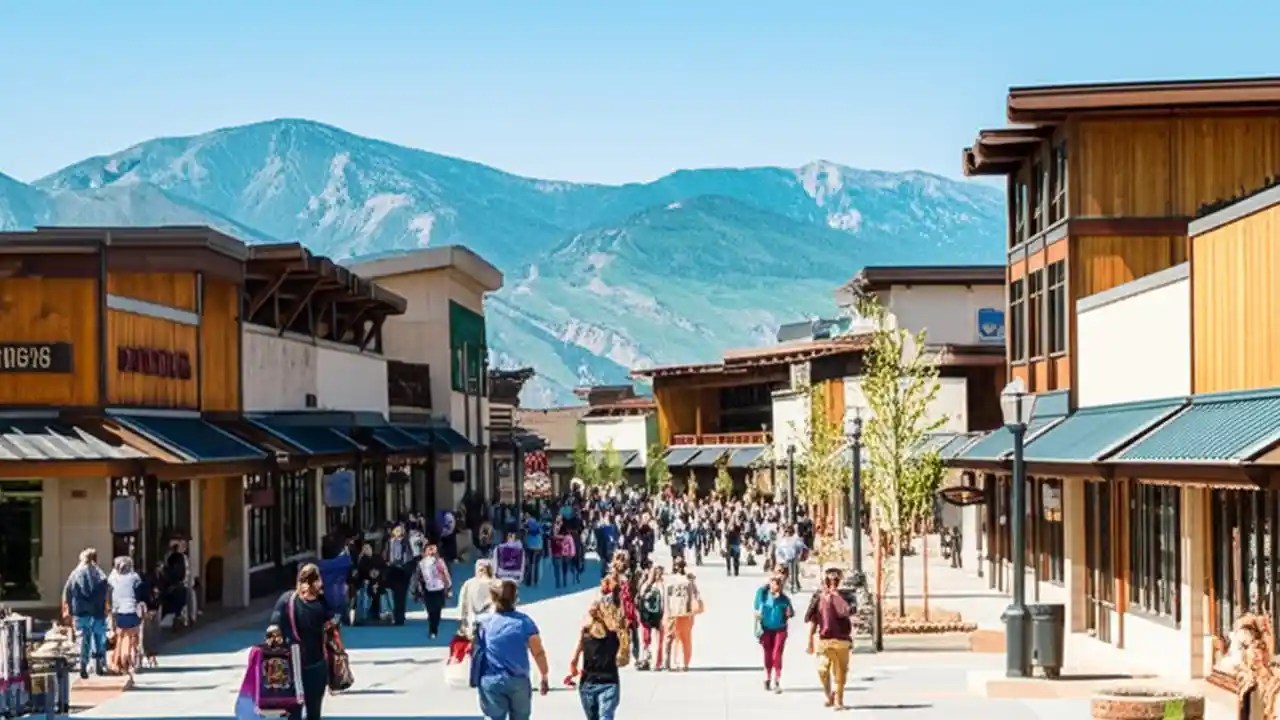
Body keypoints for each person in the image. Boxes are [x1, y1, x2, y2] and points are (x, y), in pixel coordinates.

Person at [474, 579, 550, 720]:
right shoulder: (525, 623)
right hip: (518, 680)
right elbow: (538, 652)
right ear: (515, 598)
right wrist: (544, 675)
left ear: (493, 598)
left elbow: (475, 648)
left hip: (491, 680)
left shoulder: (483, 622)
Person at [268, 564, 331, 720]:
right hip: (316, 664)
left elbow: (272, 630)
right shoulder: (321, 603)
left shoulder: (286, 600)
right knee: (314, 711)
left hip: (291, 666)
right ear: (316, 581)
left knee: (293, 710)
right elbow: (332, 630)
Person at [804, 567, 856, 710]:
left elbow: (848, 611)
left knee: (840, 673)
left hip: (842, 639)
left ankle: (839, 700)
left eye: (835, 580)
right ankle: (829, 695)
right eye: (829, 580)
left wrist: (836, 596)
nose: (832, 582)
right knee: (822, 670)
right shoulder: (818, 597)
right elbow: (812, 619)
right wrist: (810, 640)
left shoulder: (847, 596)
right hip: (824, 640)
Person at [567, 600, 624, 720]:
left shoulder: (586, 634)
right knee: (606, 716)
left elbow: (576, 655)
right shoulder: (614, 635)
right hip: (609, 682)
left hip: (588, 683)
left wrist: (574, 665)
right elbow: (624, 658)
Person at [63, 548, 109, 679]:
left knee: (83, 638)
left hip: (80, 611)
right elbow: (106, 589)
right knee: (99, 637)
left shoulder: (75, 573)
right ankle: (99, 662)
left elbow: (68, 591)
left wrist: (70, 609)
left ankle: (83, 664)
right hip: (97, 611)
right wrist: (105, 606)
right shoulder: (99, 573)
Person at [754, 573, 794, 693]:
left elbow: (790, 612)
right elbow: (756, 607)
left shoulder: (784, 599)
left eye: (778, 583)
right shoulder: (763, 595)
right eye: (773, 582)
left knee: (777, 653)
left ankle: (777, 679)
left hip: (780, 629)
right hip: (766, 628)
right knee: (767, 653)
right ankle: (767, 677)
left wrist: (788, 612)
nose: (775, 585)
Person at [107, 556, 144, 677]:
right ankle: (129, 662)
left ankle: (118, 663)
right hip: (131, 610)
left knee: (120, 636)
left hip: (117, 612)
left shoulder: (112, 578)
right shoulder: (134, 578)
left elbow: (109, 593)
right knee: (133, 636)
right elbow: (140, 594)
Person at [660, 557, 700, 671]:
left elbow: (665, 597)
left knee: (669, 638)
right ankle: (683, 663)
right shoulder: (687, 581)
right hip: (684, 613)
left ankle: (667, 663)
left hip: (671, 611)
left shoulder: (668, 580)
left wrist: (665, 611)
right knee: (684, 639)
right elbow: (694, 595)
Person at [411, 542, 453, 639]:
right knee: (431, 610)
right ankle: (432, 630)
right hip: (427, 590)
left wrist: (449, 586)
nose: (431, 552)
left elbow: (446, 574)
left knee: (437, 609)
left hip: (440, 588)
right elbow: (416, 577)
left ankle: (435, 627)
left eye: (433, 549)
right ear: (425, 552)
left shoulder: (440, 561)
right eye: (429, 549)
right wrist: (415, 590)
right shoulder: (421, 563)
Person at [635, 566, 665, 671]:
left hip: (646, 615)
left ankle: (645, 659)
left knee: (645, 638)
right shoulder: (660, 585)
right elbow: (663, 601)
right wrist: (663, 615)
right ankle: (657, 662)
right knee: (658, 639)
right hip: (657, 616)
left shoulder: (645, 585)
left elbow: (639, 599)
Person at [386, 525, 416, 626]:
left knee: (401, 595)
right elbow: (387, 554)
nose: (397, 532)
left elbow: (412, 555)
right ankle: (396, 615)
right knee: (395, 595)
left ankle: (400, 617)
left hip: (403, 570)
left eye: (400, 530)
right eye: (396, 530)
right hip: (393, 569)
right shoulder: (389, 541)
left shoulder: (407, 541)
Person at [457, 559, 496, 632]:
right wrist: (462, 618)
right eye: (481, 570)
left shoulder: (496, 584)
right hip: (474, 618)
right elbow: (463, 601)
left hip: (489, 620)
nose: (482, 573)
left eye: (485, 570)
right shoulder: (469, 584)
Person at [774, 525, 806, 593]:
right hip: (785, 559)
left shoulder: (796, 539)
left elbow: (802, 547)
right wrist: (781, 558)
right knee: (787, 574)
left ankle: (794, 586)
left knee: (794, 573)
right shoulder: (782, 540)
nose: (788, 533)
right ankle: (791, 586)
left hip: (794, 558)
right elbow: (778, 550)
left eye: (789, 532)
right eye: (786, 532)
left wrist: (800, 554)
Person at [522, 513, 544, 587]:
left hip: (530, 546)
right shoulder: (538, 524)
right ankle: (536, 581)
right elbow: (542, 533)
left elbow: (524, 534)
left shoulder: (526, 524)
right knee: (537, 565)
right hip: (538, 546)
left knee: (530, 564)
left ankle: (528, 581)